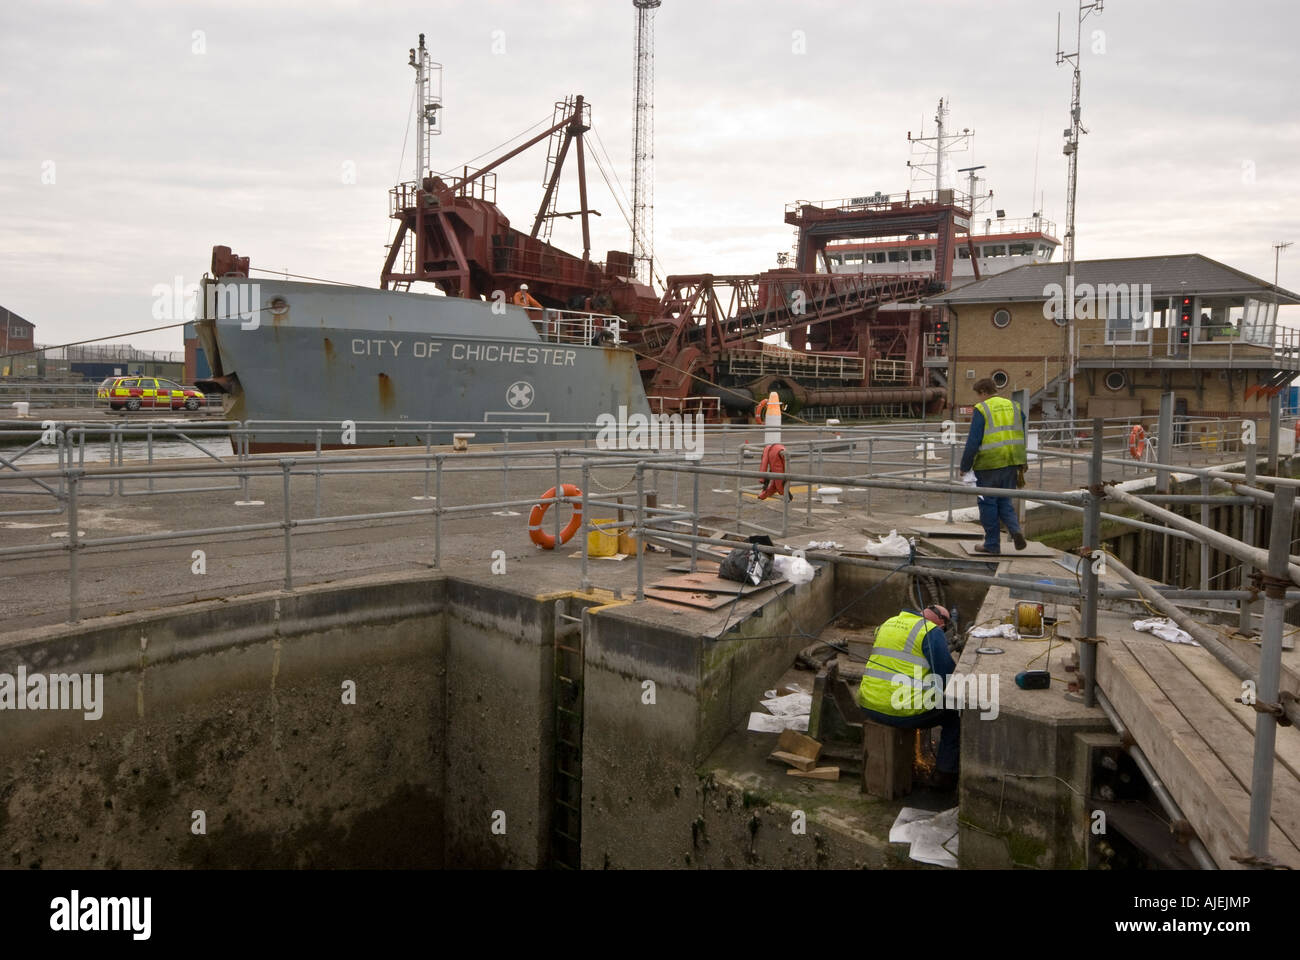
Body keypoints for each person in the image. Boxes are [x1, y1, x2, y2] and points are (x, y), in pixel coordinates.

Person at [857, 605, 960, 790]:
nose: (942, 630)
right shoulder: (930, 631)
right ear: (940, 620)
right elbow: (946, 673)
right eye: (944, 626)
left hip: (869, 703)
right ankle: (945, 776)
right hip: (901, 711)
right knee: (954, 716)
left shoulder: (888, 623)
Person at [960, 378, 1028, 555]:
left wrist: (965, 466)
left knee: (987, 502)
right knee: (1005, 500)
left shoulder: (982, 409)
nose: (978, 398)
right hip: (1012, 460)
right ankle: (1015, 531)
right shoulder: (1014, 406)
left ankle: (992, 544)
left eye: (978, 394)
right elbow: (1022, 424)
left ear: (983, 392)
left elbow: (973, 441)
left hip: (989, 463)